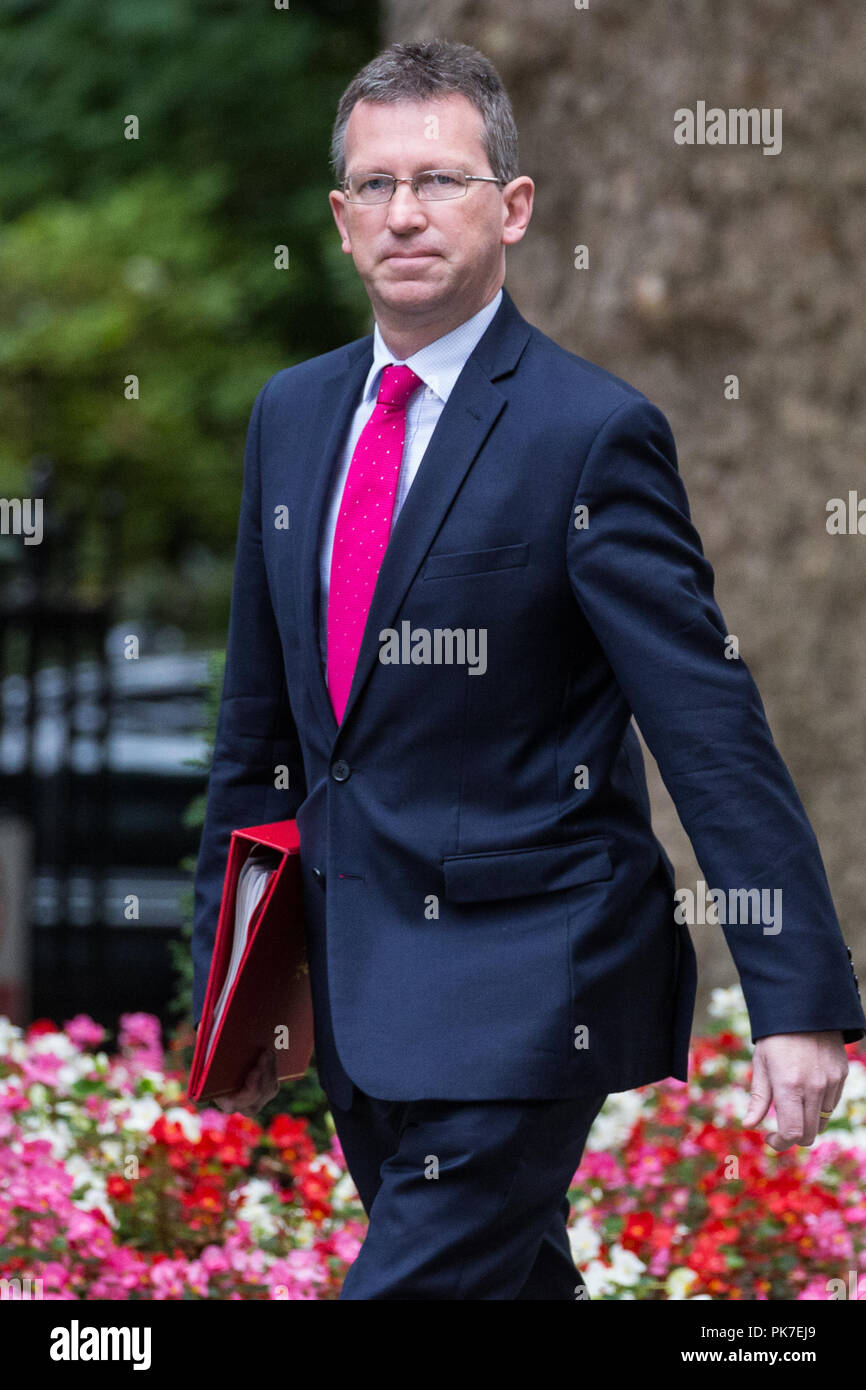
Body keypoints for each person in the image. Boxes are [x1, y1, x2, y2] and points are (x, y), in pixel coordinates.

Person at [191, 39, 864, 1300]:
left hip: (525, 989)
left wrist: (794, 996)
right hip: (355, 983)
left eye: (439, 180)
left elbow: (705, 723)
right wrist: (230, 993)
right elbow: (262, 730)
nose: (404, 212)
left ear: (511, 207)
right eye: (375, 185)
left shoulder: (587, 433)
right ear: (338, 221)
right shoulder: (290, 417)